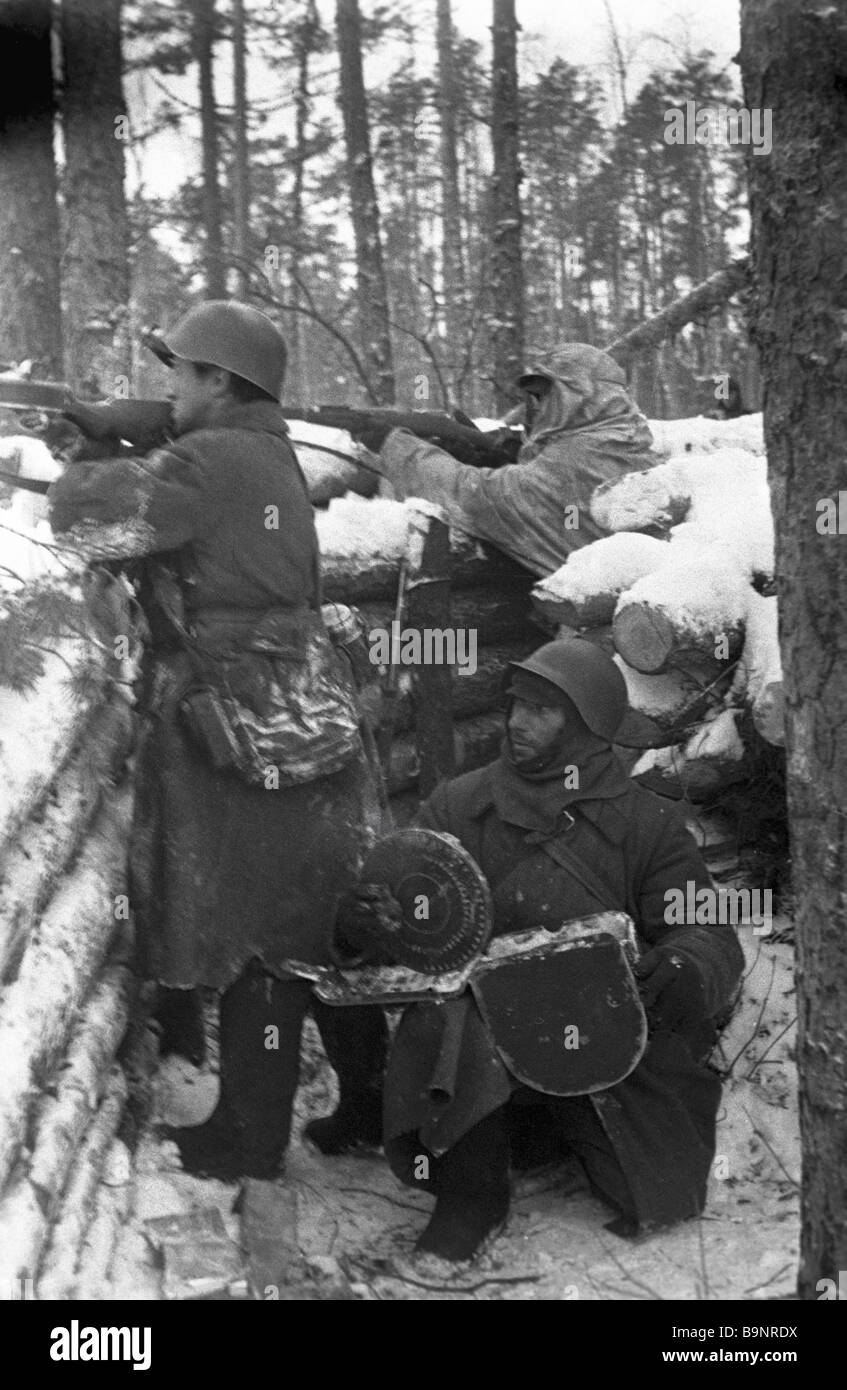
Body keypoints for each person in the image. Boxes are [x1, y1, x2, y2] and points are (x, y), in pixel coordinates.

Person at [48, 300, 388, 1181]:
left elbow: (94, 525)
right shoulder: (259, 451)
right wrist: (140, 435)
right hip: (292, 710)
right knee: (312, 922)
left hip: (237, 721)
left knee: (255, 942)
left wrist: (92, 448)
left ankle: (249, 1141)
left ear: (220, 382)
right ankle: (368, 1113)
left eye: (180, 374)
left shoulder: (215, 457)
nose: (169, 387)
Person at [337, 639, 745, 1261]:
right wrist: (366, 924)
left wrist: (686, 965)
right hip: (481, 1050)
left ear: (587, 729)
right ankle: (471, 1197)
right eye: (515, 705)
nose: (516, 723)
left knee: (654, 1190)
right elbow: (403, 919)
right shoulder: (459, 805)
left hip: (599, 1043)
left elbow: (708, 929)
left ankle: (552, 1134)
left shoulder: (645, 825)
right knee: (465, 1006)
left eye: (542, 711)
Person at [352, 344, 655, 577]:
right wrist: (502, 458)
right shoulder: (631, 445)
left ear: (576, 397)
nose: (537, 408)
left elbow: (473, 496)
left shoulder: (571, 463)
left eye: (544, 397)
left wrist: (394, 445)